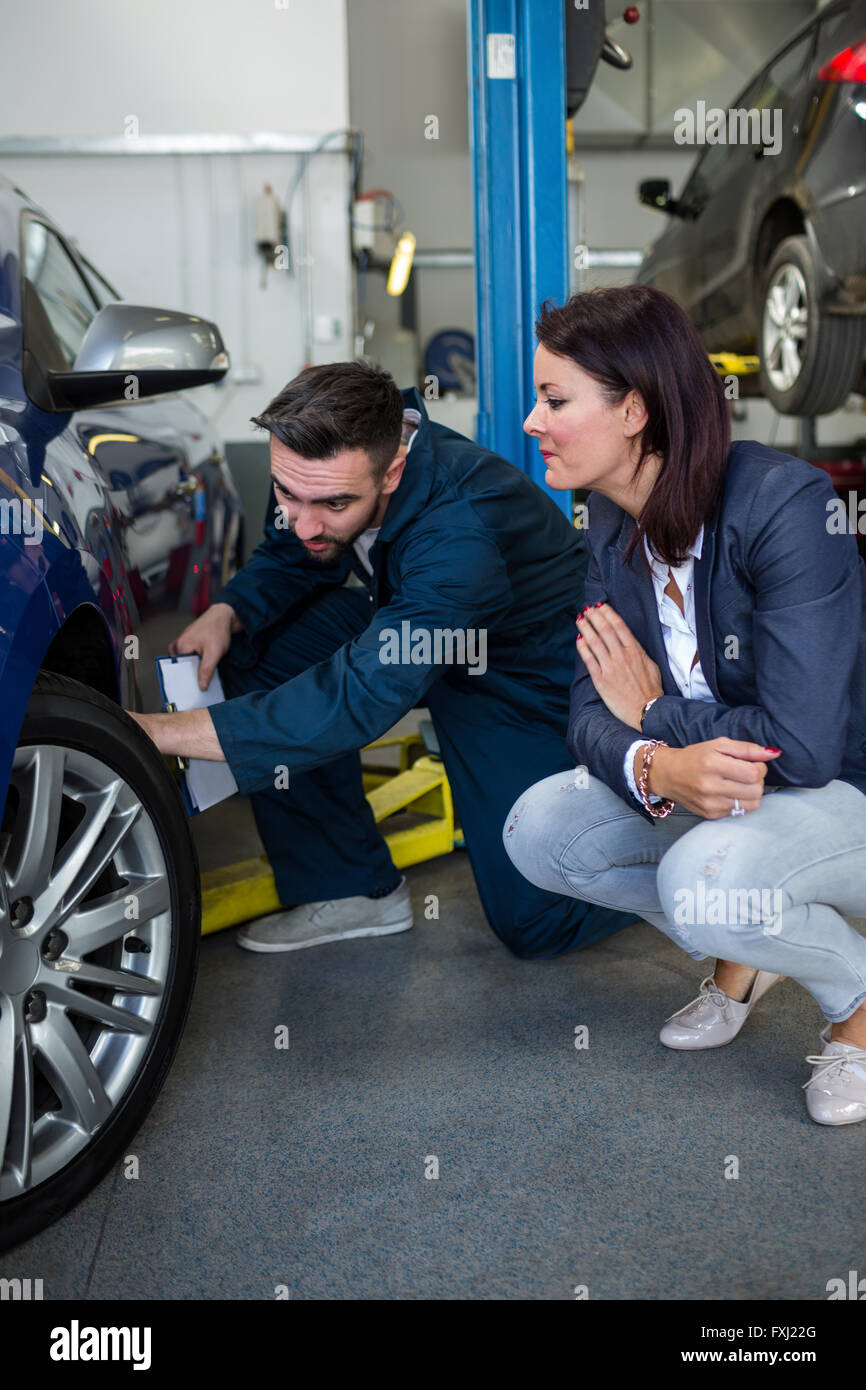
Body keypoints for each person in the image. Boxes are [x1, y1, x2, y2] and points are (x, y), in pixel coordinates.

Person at [503, 283, 866, 1126]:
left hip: (842, 787)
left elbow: (805, 748)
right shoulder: (604, 517)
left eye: (555, 400)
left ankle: (855, 1002)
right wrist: (657, 762)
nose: (532, 421)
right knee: (539, 831)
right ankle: (743, 955)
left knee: (701, 885)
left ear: (634, 410)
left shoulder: (789, 509)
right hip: (731, 782)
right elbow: (588, 700)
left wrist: (660, 716)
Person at [129, 360, 636, 958]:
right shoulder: (318, 454)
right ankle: (352, 889)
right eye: (288, 493)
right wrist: (229, 611)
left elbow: (359, 696)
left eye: (334, 504)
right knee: (257, 642)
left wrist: (154, 733)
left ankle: (680, 848)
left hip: (519, 674)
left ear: (393, 471)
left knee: (534, 921)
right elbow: (297, 550)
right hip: (406, 621)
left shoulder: (461, 533)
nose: (305, 521)